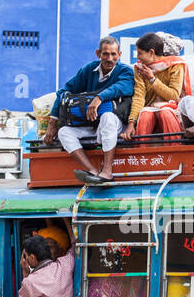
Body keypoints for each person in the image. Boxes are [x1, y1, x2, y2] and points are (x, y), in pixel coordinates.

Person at [43, 36, 134, 185]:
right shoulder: (89, 70)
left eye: (113, 54)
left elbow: (122, 87)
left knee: (108, 117)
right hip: (91, 124)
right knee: (64, 132)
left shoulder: (126, 71)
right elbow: (64, 92)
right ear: (98, 54)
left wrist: (99, 98)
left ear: (119, 55)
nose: (109, 58)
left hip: (115, 125)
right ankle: (92, 171)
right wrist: (53, 123)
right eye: (105, 54)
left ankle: (107, 171)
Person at [124, 32, 188, 139]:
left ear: (151, 52)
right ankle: (141, 154)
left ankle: (174, 151)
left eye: (140, 53)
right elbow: (139, 97)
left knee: (165, 113)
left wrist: (152, 79)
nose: (138, 57)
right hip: (149, 109)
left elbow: (173, 95)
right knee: (145, 115)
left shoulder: (175, 65)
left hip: (172, 110)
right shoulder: (140, 68)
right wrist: (131, 123)